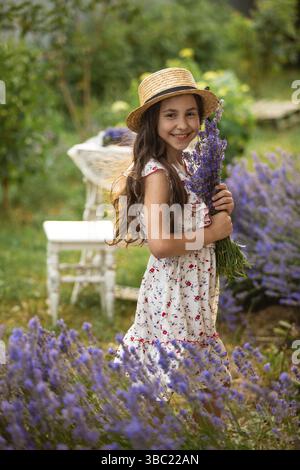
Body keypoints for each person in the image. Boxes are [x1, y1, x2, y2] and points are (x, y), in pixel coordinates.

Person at [109, 67, 234, 408]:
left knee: (199, 373)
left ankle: (204, 436)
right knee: (172, 375)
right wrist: (213, 233)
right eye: (170, 115)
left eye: (191, 114)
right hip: (173, 287)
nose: (183, 124)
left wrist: (222, 205)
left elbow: (196, 214)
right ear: (153, 121)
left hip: (195, 282)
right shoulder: (158, 173)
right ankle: (151, 439)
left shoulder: (190, 163)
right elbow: (161, 245)